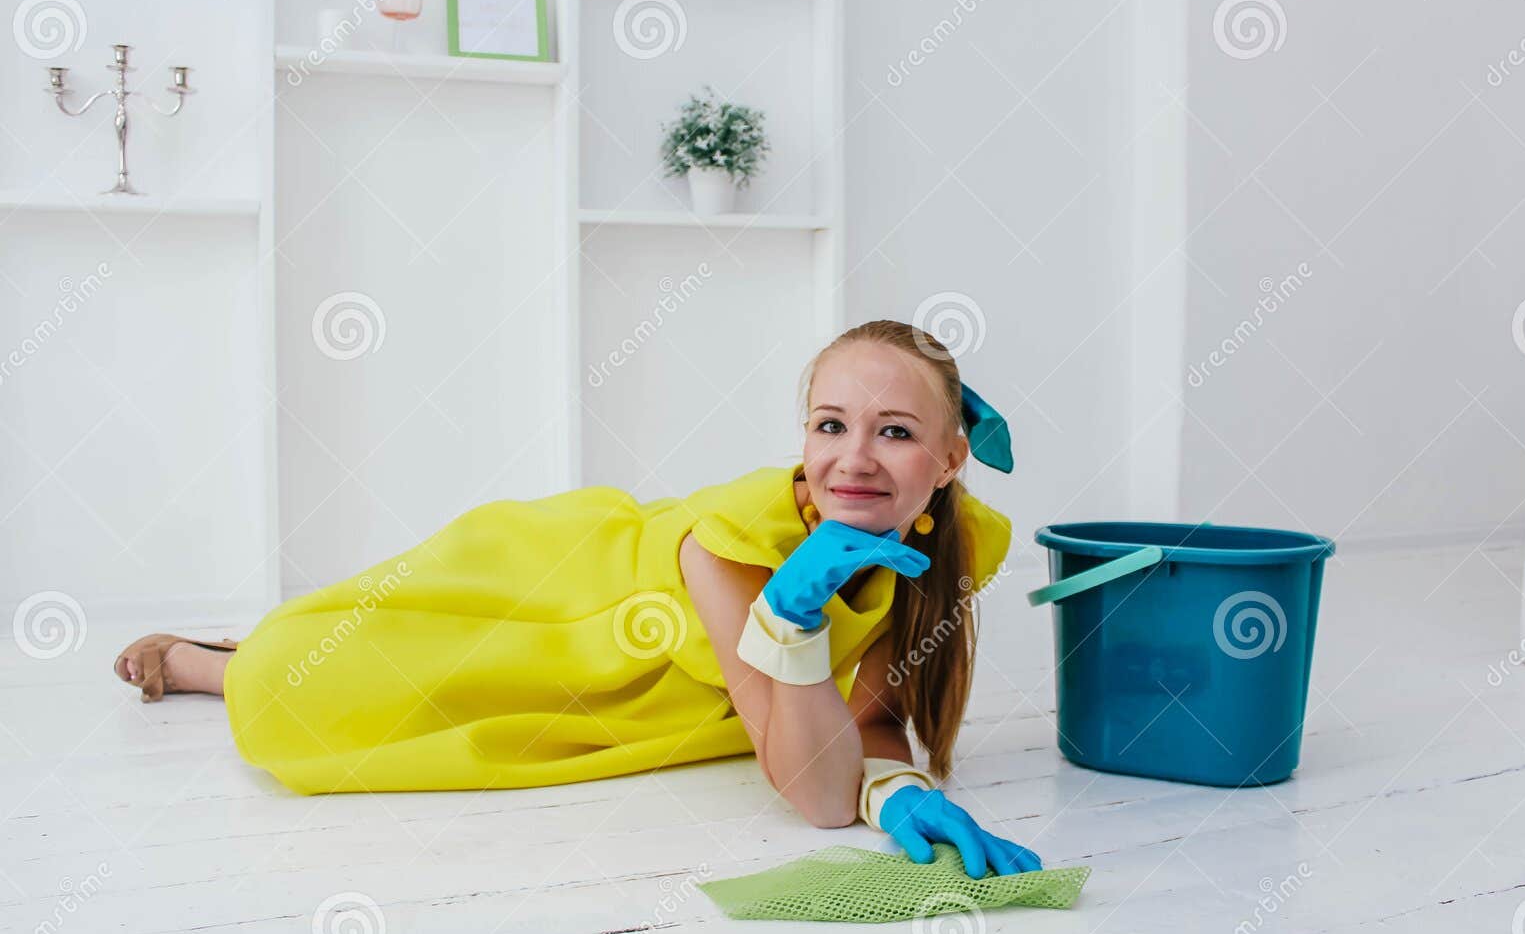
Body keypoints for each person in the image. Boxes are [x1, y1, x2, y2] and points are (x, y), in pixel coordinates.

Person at [114, 319, 1042, 878]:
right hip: (571, 608)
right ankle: (210, 660)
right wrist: (788, 612)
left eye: (896, 432)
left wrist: (896, 789)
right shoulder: (736, 544)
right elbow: (806, 769)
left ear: (950, 458)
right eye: (831, 425)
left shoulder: (941, 553)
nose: (854, 458)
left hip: (659, 701)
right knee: (291, 677)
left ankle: (245, 652)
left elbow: (839, 768)